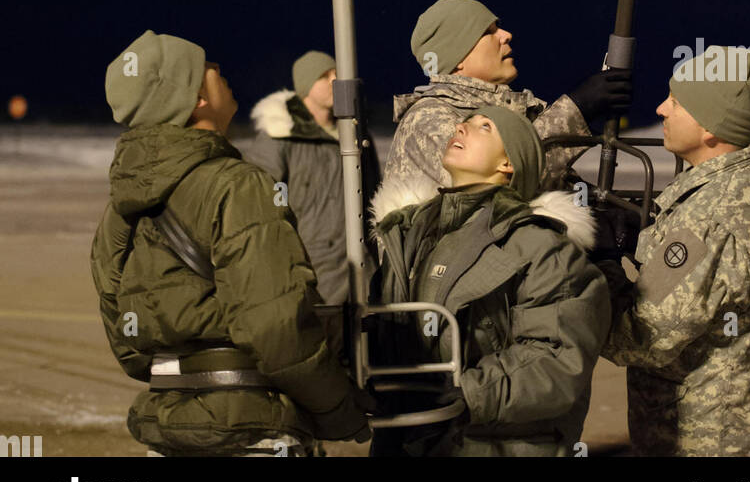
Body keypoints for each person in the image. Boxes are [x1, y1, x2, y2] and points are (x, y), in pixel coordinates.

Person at [90, 30, 369, 457]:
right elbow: (277, 329)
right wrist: (339, 408)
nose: (221, 71)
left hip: (167, 426)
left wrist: (183, 374)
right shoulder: (237, 185)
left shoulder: (119, 208)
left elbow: (124, 337)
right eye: (210, 69)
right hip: (250, 431)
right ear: (197, 96)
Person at [599, 44, 750, 457]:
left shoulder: (712, 218)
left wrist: (604, 263)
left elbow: (638, 339)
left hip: (702, 441)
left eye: (676, 103)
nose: (661, 109)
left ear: (711, 126)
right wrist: (643, 237)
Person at [369, 105, 611, 457]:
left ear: (508, 164)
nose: (462, 128)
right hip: (406, 442)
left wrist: (469, 394)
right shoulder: (407, 234)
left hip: (493, 444)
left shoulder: (541, 245)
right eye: (464, 122)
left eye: (484, 127)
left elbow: (557, 357)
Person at [384, 0, 631, 192]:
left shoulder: (498, 110)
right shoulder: (428, 120)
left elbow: (547, 185)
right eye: (488, 32)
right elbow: (495, 187)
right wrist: (578, 109)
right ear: (457, 57)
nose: (505, 35)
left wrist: (598, 209)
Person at [245, 50, 380, 308]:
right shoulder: (279, 137)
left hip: (363, 274)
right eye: (324, 76)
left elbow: (375, 196)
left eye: (337, 74)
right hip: (312, 277)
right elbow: (259, 210)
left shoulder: (358, 136)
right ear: (306, 85)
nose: (334, 80)